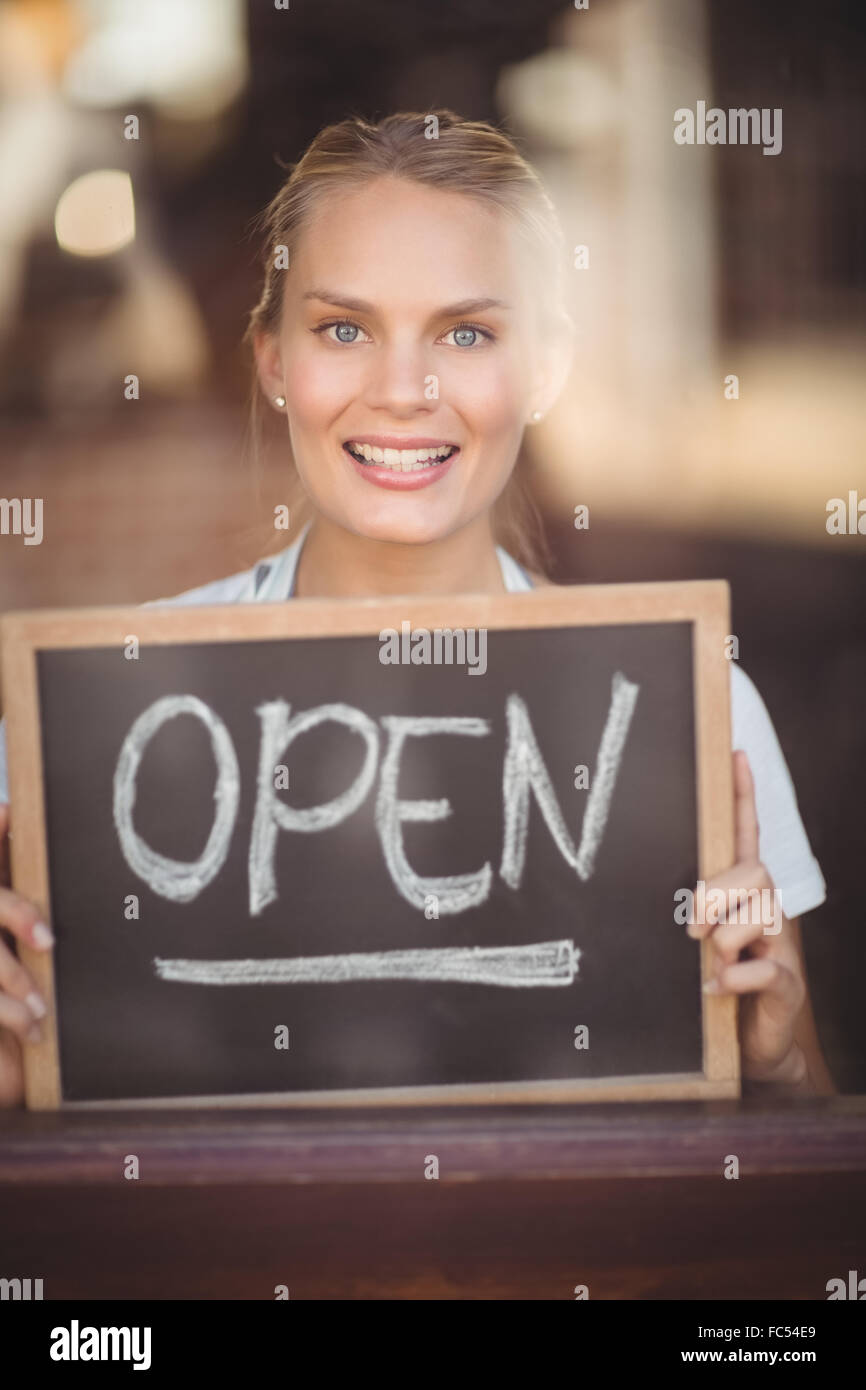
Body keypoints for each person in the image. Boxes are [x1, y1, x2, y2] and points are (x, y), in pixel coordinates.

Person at [0, 110, 835, 1106]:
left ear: (545, 369)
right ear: (271, 360)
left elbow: (806, 1184)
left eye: (467, 332)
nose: (403, 389)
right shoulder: (77, 727)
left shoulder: (704, 715)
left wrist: (777, 1061)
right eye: (342, 328)